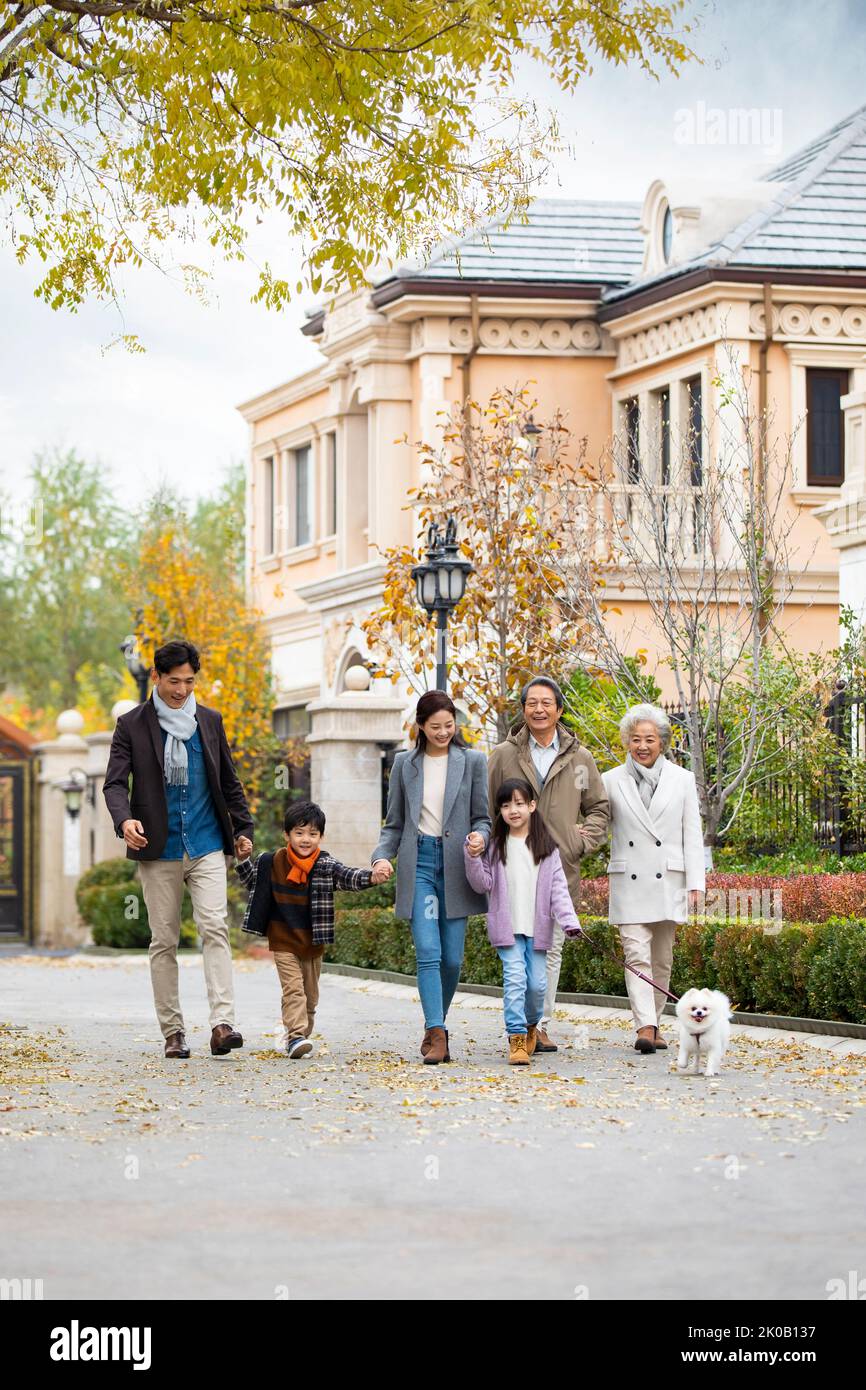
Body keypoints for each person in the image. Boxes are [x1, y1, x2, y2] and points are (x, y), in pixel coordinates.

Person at [103, 638, 254, 1060]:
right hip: (159, 847)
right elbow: (115, 783)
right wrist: (124, 820)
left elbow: (228, 780)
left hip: (205, 842)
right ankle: (173, 1032)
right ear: (156, 677)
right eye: (174, 682)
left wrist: (242, 829)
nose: (182, 690)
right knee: (164, 940)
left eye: (189, 682)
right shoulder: (131, 725)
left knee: (215, 927)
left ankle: (223, 1024)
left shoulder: (209, 720)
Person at [487, 675, 609, 1052]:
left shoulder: (580, 758)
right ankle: (522, 1026)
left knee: (550, 950)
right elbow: (487, 806)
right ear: (523, 710)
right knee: (517, 954)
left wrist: (580, 842)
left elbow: (599, 807)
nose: (539, 710)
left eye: (546, 703)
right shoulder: (504, 755)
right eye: (531, 703)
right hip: (512, 870)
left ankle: (538, 1025)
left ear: (559, 709)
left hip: (558, 869)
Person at [372, 691, 491, 1065]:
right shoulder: (405, 764)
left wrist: (481, 838)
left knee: (452, 960)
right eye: (435, 726)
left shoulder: (472, 761)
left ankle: (434, 1026)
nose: (443, 732)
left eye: (449, 725)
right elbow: (394, 824)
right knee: (428, 953)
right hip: (419, 863)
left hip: (456, 866)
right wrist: (380, 858)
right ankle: (437, 1031)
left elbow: (484, 817)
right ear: (421, 726)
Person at [235, 800, 390, 1057]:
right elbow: (251, 882)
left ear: (321, 836)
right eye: (299, 833)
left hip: (313, 941)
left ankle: (296, 1036)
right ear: (287, 834)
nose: (306, 839)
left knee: (310, 997)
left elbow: (348, 876)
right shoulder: (271, 861)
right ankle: (295, 1036)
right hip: (283, 938)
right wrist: (243, 860)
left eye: (312, 834)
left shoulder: (325, 865)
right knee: (293, 989)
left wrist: (372, 876)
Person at [602, 703, 705, 1054]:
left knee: (662, 958)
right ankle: (645, 1024)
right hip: (629, 880)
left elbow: (692, 833)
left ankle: (656, 1021)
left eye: (649, 739)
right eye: (635, 739)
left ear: (662, 742)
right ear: (626, 742)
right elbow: (599, 827)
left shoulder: (682, 779)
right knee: (636, 954)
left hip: (669, 881)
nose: (642, 746)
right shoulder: (609, 780)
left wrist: (696, 884)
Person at [463, 778, 582, 1065]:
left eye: (518, 803)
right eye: (505, 805)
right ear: (500, 812)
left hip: (538, 929)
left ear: (532, 805)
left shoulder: (547, 848)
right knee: (515, 980)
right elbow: (482, 884)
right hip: (508, 928)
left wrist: (569, 922)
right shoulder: (495, 847)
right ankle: (516, 1038)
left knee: (538, 985)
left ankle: (532, 1024)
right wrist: (472, 857)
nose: (512, 810)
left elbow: (558, 891)